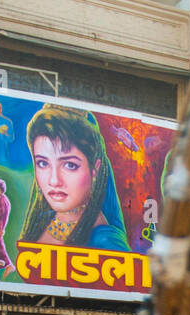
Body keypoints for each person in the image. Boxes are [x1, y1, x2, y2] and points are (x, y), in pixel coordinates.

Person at [16, 105, 130, 271]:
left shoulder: (106, 243)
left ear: (95, 169)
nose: (54, 180)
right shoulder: (43, 219)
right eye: (43, 163)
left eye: (69, 165)